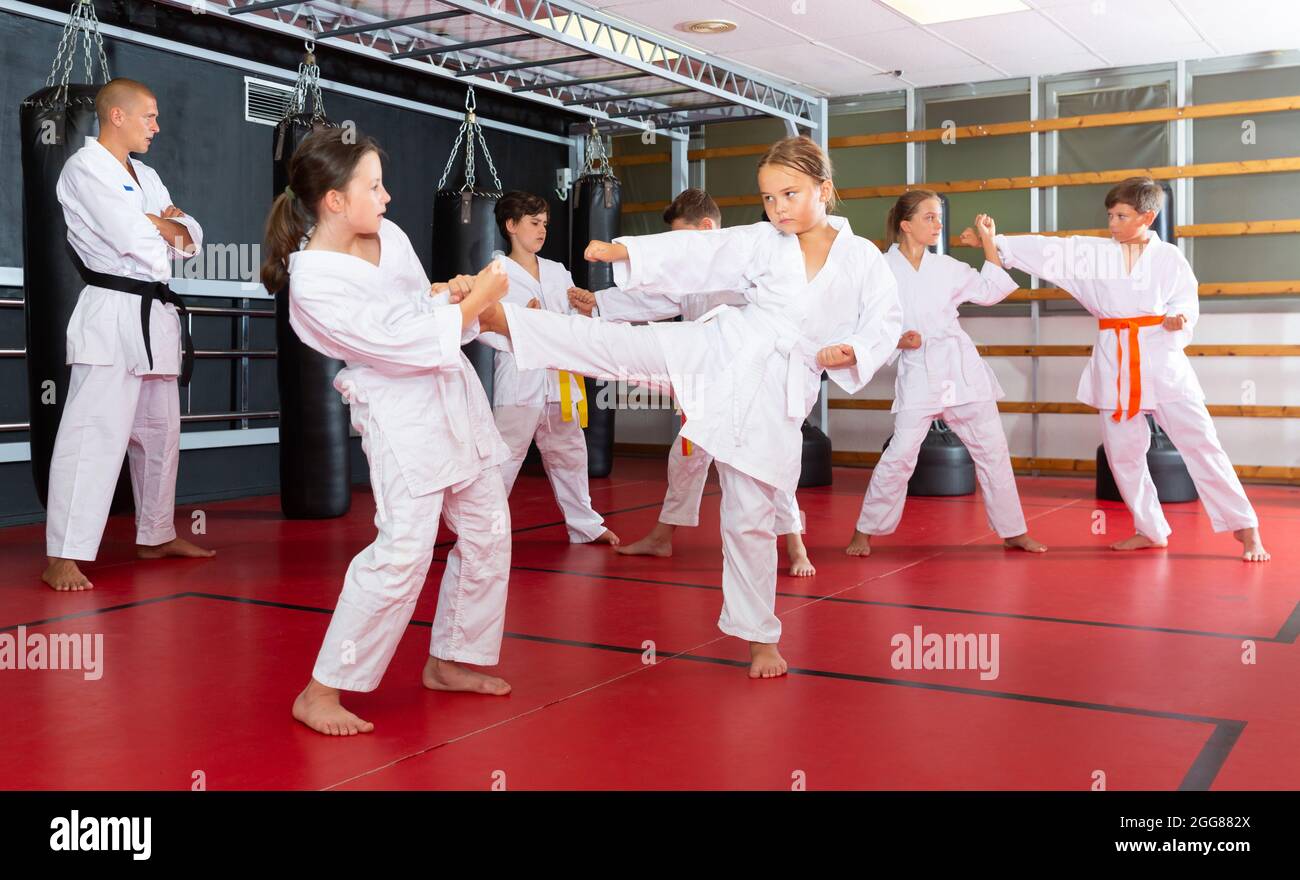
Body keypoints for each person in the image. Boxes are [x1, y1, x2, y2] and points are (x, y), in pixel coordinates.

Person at [478, 136, 903, 678]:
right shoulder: (765, 241)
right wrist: (628, 252)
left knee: (748, 515)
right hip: (725, 346)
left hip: (775, 388)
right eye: (768, 198)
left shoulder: (863, 258)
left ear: (825, 189)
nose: (777, 209)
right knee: (624, 351)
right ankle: (507, 322)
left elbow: (886, 321)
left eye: (789, 194)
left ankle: (759, 637)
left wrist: (856, 350)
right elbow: (705, 252)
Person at [261, 128, 515, 736]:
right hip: (402, 415)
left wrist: (447, 294)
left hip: (454, 397)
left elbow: (414, 309)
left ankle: (454, 659)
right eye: (373, 186)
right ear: (335, 201)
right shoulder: (314, 283)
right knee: (403, 552)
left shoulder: (389, 236)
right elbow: (397, 343)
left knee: (488, 529)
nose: (387, 197)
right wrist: (475, 299)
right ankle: (321, 689)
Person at [994, 176, 1268, 562]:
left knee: (1202, 444)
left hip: (1162, 360)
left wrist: (1179, 319)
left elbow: (1187, 302)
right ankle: (1150, 528)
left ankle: (1246, 528)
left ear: (1148, 216)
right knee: (1123, 454)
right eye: (1110, 215)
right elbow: (1053, 249)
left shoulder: (1169, 257)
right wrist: (997, 243)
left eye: (1122, 216)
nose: (1113, 223)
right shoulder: (1096, 254)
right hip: (1115, 361)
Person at [570, 188, 816, 576]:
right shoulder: (692, 275)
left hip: (749, 385)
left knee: (762, 464)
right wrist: (600, 303)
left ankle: (797, 545)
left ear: (706, 228)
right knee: (685, 459)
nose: (679, 251)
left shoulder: (747, 263)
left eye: (682, 239)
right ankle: (662, 537)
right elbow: (657, 299)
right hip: (703, 383)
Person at [43, 78, 214, 592]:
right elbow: (137, 241)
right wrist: (165, 229)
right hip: (111, 310)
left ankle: (156, 533)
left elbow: (192, 242)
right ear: (116, 116)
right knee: (91, 434)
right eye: (149, 117)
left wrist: (169, 228)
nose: (157, 127)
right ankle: (63, 555)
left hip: (155, 315)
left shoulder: (148, 174)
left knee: (161, 433)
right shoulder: (84, 168)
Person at [847, 192, 1046, 557]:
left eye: (939, 217)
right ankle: (865, 530)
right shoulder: (879, 270)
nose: (939, 224)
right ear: (906, 224)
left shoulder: (947, 267)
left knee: (992, 450)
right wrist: (896, 340)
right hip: (918, 369)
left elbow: (989, 291)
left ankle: (1014, 530)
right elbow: (864, 321)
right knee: (901, 454)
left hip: (959, 367)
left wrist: (987, 239)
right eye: (930, 218)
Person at [476, 190, 617, 545]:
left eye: (545, 225)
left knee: (571, 453)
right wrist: (525, 326)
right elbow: (482, 326)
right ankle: (481, 530)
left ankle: (585, 526)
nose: (541, 231)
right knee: (505, 459)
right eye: (534, 223)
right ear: (511, 225)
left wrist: (585, 308)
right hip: (520, 379)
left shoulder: (558, 272)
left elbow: (572, 319)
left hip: (559, 379)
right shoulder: (495, 274)